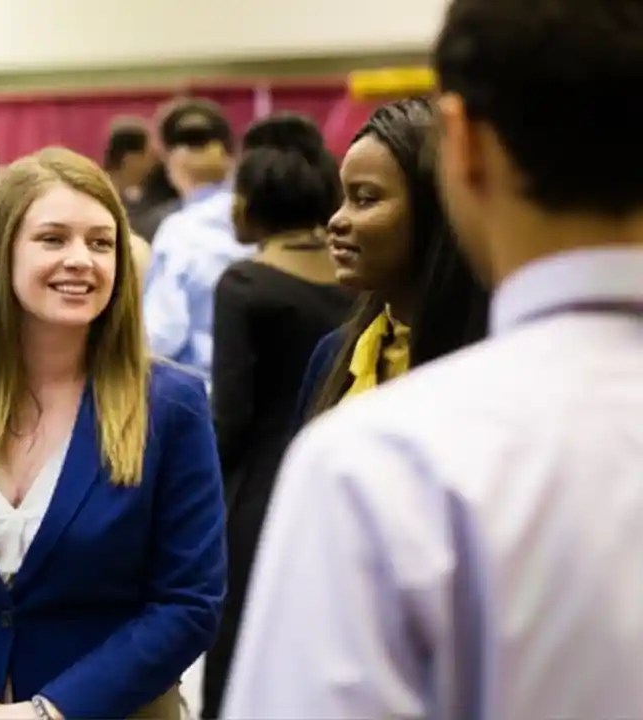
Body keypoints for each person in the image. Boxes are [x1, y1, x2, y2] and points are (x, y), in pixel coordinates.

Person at [224, 0, 643, 717]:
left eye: (365, 198)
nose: (339, 222)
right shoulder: (354, 392)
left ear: (461, 148)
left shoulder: (383, 464)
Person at [0, 147, 226, 720]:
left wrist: (50, 711)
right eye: (53, 239)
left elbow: (189, 602)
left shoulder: (170, 403)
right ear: (2, 251)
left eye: (101, 243)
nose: (82, 260)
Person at [200, 115, 352, 716]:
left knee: (240, 642)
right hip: (338, 476)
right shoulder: (352, 280)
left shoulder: (244, 284)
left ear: (255, 204)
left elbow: (229, 417)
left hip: (260, 489)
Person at [296, 98, 489, 419]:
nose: (337, 220)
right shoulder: (332, 356)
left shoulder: (494, 358)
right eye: (343, 198)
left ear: (437, 208)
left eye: (366, 199)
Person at [142, 98, 253, 377]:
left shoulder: (178, 231)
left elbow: (163, 334)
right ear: (231, 154)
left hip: (202, 394)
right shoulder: (265, 217)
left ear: (170, 161)